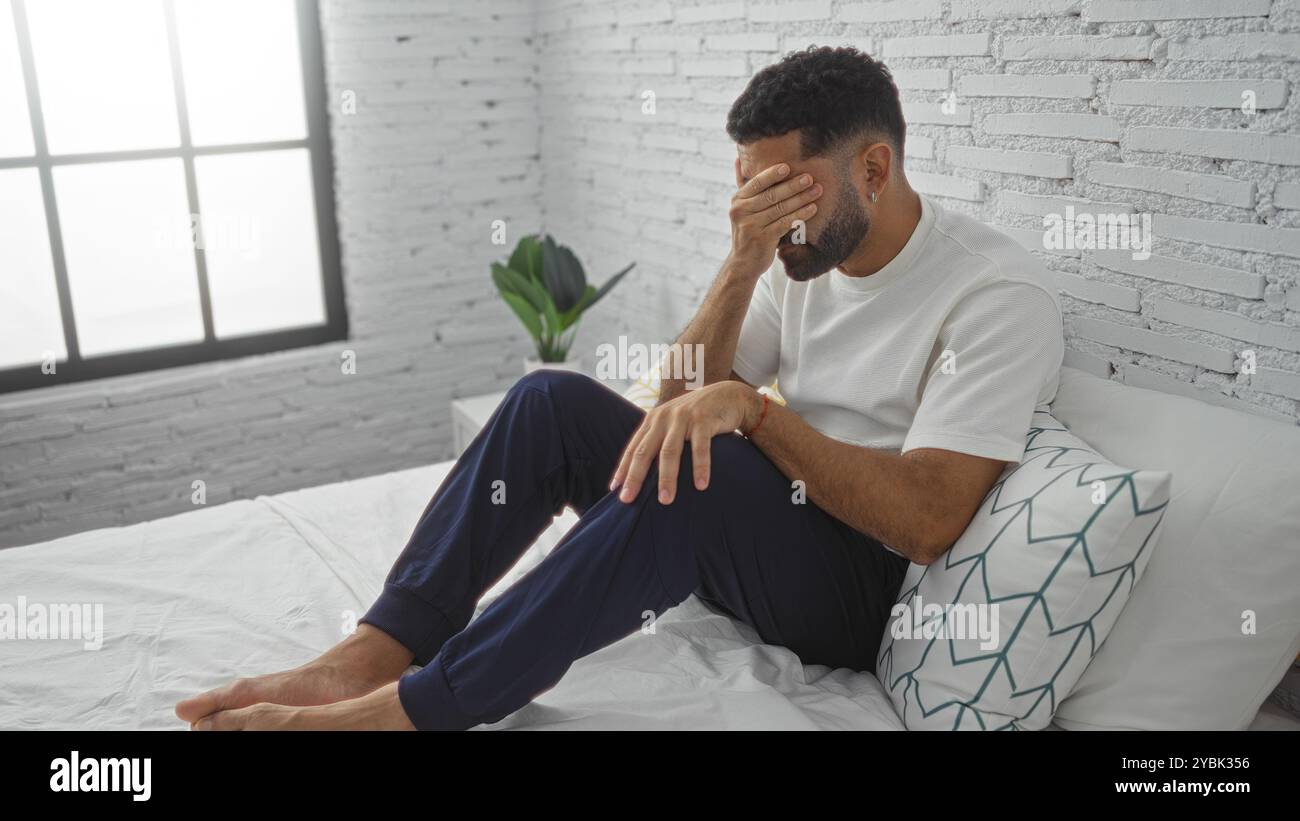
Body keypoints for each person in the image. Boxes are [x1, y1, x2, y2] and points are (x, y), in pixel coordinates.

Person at [176, 46, 1063, 730]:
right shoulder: (798, 254)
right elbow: (665, 403)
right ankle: (377, 646)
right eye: (749, 193)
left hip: (859, 591)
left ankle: (417, 708)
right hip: (765, 533)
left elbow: (927, 519)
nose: (768, 214)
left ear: (873, 170)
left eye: (787, 192)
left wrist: (751, 412)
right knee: (549, 402)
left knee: (710, 464)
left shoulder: (992, 292)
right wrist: (743, 261)